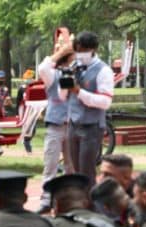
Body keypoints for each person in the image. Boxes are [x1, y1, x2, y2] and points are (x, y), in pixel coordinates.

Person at [63, 31, 114, 182]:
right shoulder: (74, 66)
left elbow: (105, 102)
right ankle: (79, 195)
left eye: (83, 51)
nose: (80, 54)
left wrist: (79, 92)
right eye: (77, 51)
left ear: (93, 49)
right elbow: (63, 95)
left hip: (91, 126)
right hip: (73, 124)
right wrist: (65, 79)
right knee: (75, 170)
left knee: (86, 170)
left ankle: (90, 196)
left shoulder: (103, 70)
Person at [36, 36, 75, 214]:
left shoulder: (77, 70)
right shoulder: (53, 74)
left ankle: (71, 200)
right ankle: (47, 199)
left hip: (73, 124)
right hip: (56, 124)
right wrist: (61, 51)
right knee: (50, 164)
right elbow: (42, 68)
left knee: (71, 167)